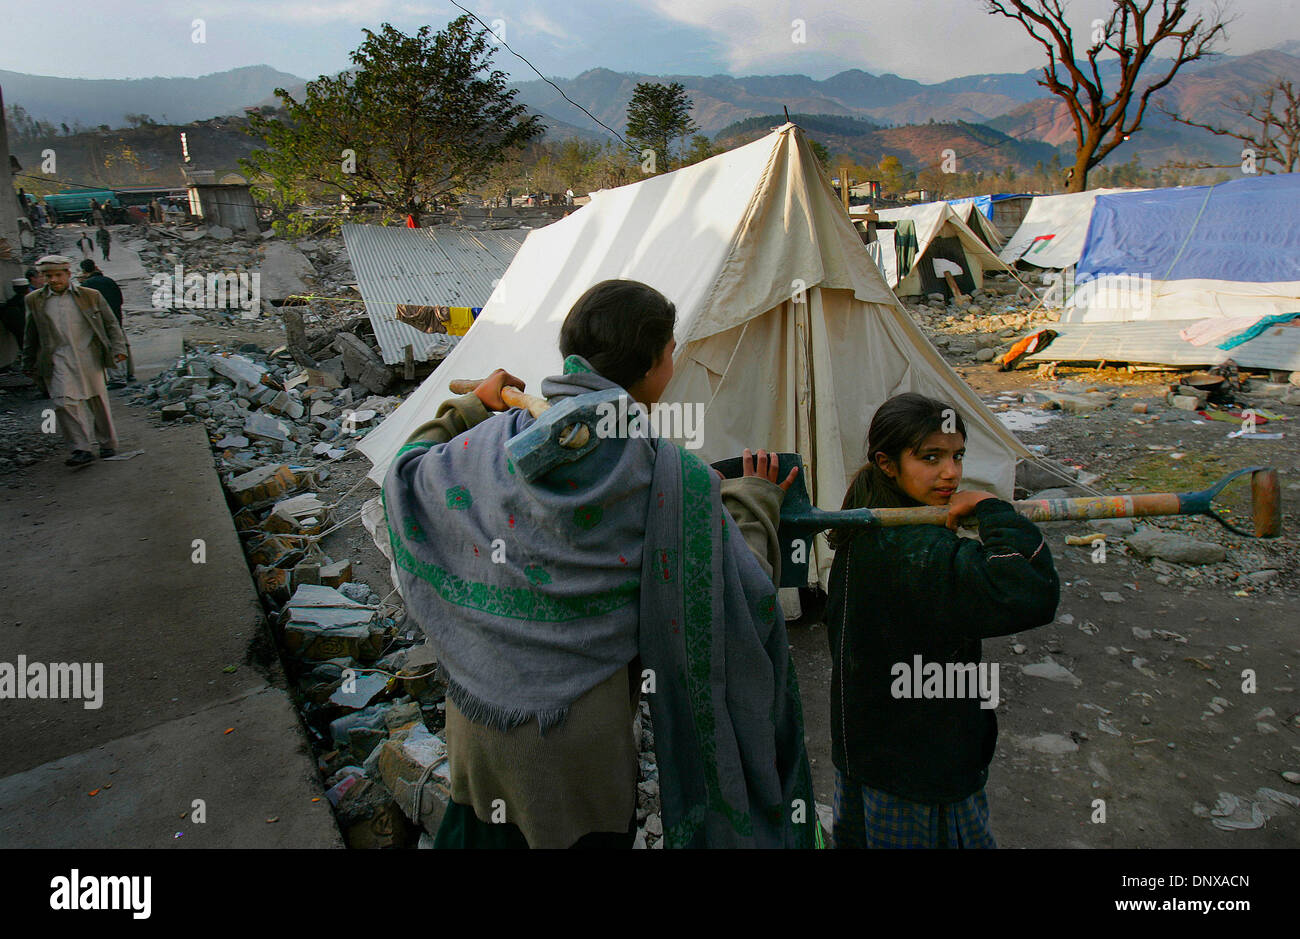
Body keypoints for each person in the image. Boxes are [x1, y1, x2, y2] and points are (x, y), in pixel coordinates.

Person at [384, 279, 816, 849]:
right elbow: (738, 595)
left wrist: (467, 409)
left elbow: (406, 478)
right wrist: (753, 500)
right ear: (655, 367)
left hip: (479, 728)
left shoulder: (493, 442)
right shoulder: (669, 480)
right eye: (669, 351)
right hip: (576, 752)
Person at [825, 392, 1059, 849]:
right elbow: (1027, 591)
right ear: (888, 464)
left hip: (869, 750)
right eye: (930, 458)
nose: (951, 472)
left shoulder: (867, 528)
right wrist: (994, 511)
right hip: (920, 766)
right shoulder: (915, 551)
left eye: (956, 456)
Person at [21, 255, 128, 468]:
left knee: (97, 401)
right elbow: (30, 333)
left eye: (58, 275)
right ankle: (81, 448)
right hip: (57, 358)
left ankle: (107, 443)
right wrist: (28, 361)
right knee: (63, 402)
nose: (53, 280)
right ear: (42, 277)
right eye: (47, 276)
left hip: (89, 355)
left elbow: (111, 324)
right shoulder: (34, 300)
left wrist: (118, 348)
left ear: (68, 275)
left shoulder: (90, 296)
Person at [78, 259, 132, 383]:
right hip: (117, 317)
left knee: (110, 348)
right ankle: (128, 373)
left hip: (102, 321)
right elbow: (120, 299)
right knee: (122, 344)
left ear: (84, 271)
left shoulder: (87, 287)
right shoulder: (109, 281)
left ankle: (118, 378)